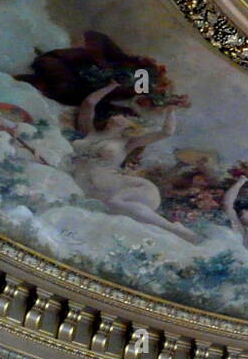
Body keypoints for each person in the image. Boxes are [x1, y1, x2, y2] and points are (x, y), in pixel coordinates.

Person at [69, 81, 200, 242]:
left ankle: (174, 229)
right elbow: (89, 103)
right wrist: (112, 86)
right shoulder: (89, 130)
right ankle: (174, 228)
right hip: (88, 183)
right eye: (120, 114)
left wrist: (170, 110)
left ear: (128, 125)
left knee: (115, 202)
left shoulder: (128, 144)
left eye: (125, 116)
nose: (120, 116)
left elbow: (166, 132)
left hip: (124, 185)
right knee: (115, 203)